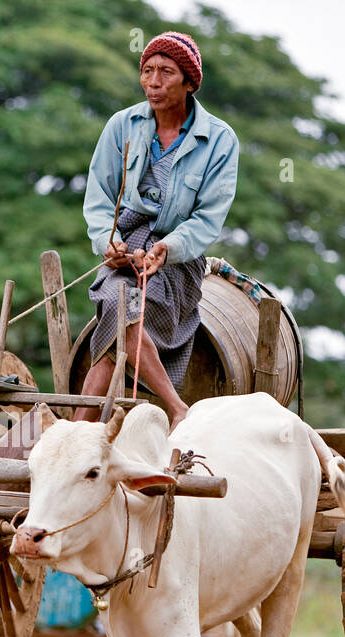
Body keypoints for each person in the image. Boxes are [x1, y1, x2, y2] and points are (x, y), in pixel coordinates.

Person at [78, 31, 240, 430]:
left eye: (166, 72)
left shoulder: (219, 140)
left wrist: (168, 247)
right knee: (119, 299)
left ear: (189, 81)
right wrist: (108, 242)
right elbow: (99, 196)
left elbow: (208, 219)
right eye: (147, 71)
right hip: (127, 248)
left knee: (118, 315)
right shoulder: (122, 126)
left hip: (178, 257)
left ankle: (80, 423)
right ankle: (175, 406)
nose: (153, 81)